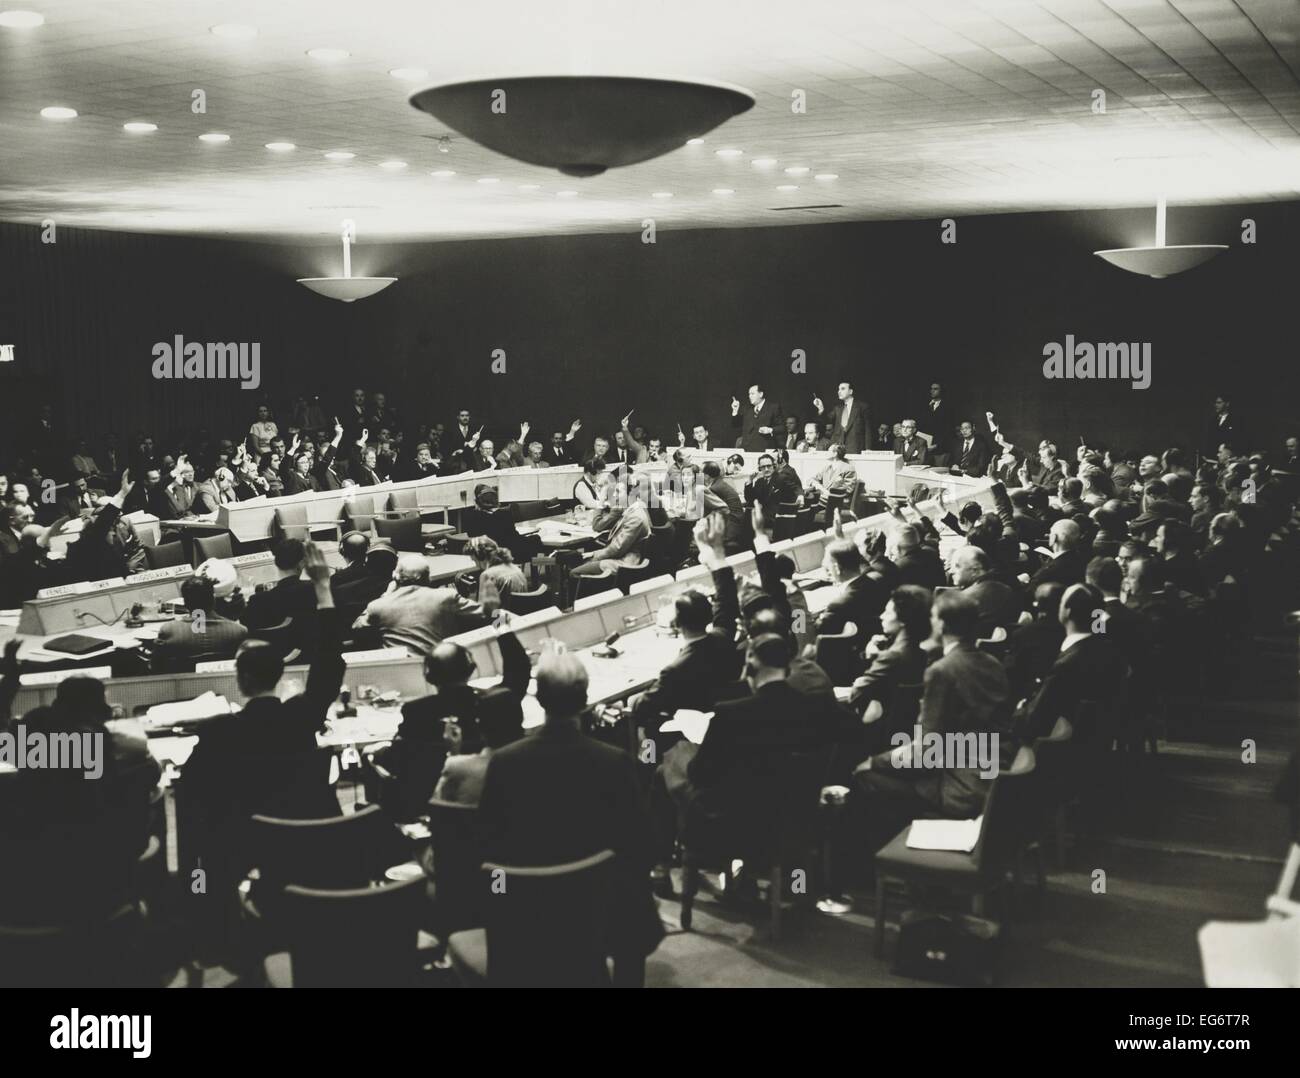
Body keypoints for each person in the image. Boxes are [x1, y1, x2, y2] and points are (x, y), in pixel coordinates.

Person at [477, 644, 663, 985]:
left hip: (525, 908)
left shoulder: (505, 762)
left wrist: (501, 899)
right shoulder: (615, 762)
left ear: (538, 698)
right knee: (632, 887)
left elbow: (488, 845)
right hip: (599, 907)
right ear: (585, 698)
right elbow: (643, 844)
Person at [852, 591, 1014, 846]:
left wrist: (874, 761)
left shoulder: (941, 671)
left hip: (963, 789)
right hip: (995, 778)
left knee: (865, 777)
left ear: (940, 624)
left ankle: (898, 862)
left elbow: (926, 752)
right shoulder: (992, 661)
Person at [354, 553, 493, 656]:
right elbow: (487, 614)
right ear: (428, 577)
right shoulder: (446, 596)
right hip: (443, 665)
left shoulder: (378, 606)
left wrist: (386, 595)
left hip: (400, 671)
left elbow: (357, 628)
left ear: (395, 578)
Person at [432, 687, 525, 806]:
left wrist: (453, 754)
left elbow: (442, 810)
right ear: (521, 719)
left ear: (480, 728)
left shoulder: (457, 767)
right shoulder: (540, 763)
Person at [151, 575, 248, 670]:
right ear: (213, 600)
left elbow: (156, 667)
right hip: (226, 685)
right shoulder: (239, 632)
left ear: (185, 603)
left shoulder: (169, 631)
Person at [571, 471, 651, 578]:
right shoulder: (632, 510)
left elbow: (616, 549)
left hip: (624, 564)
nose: (614, 495)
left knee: (574, 572)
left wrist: (594, 555)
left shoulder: (635, 517)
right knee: (578, 561)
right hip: (621, 556)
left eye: (618, 491)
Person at [241, 538, 317, 630]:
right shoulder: (314, 591)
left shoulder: (258, 602)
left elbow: (244, 624)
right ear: (301, 564)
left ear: (276, 562)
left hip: (275, 644)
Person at [464, 535, 527, 612]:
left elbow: (483, 612)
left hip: (500, 621)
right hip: (519, 618)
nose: (476, 565)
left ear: (481, 556)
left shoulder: (487, 575)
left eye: (475, 560)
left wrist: (472, 594)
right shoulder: (516, 569)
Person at [812, 381, 867, 452]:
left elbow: (867, 429)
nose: (839, 391)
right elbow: (827, 421)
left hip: (855, 448)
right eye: (838, 389)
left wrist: (868, 448)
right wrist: (821, 408)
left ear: (850, 391)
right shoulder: (837, 408)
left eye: (842, 389)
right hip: (838, 448)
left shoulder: (862, 407)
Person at [729, 384, 783, 451]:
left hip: (765, 451)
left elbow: (782, 428)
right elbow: (736, 425)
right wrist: (735, 410)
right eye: (749, 394)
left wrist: (769, 430)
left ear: (761, 394)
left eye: (752, 394)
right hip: (747, 450)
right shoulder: (747, 409)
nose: (750, 396)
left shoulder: (773, 408)